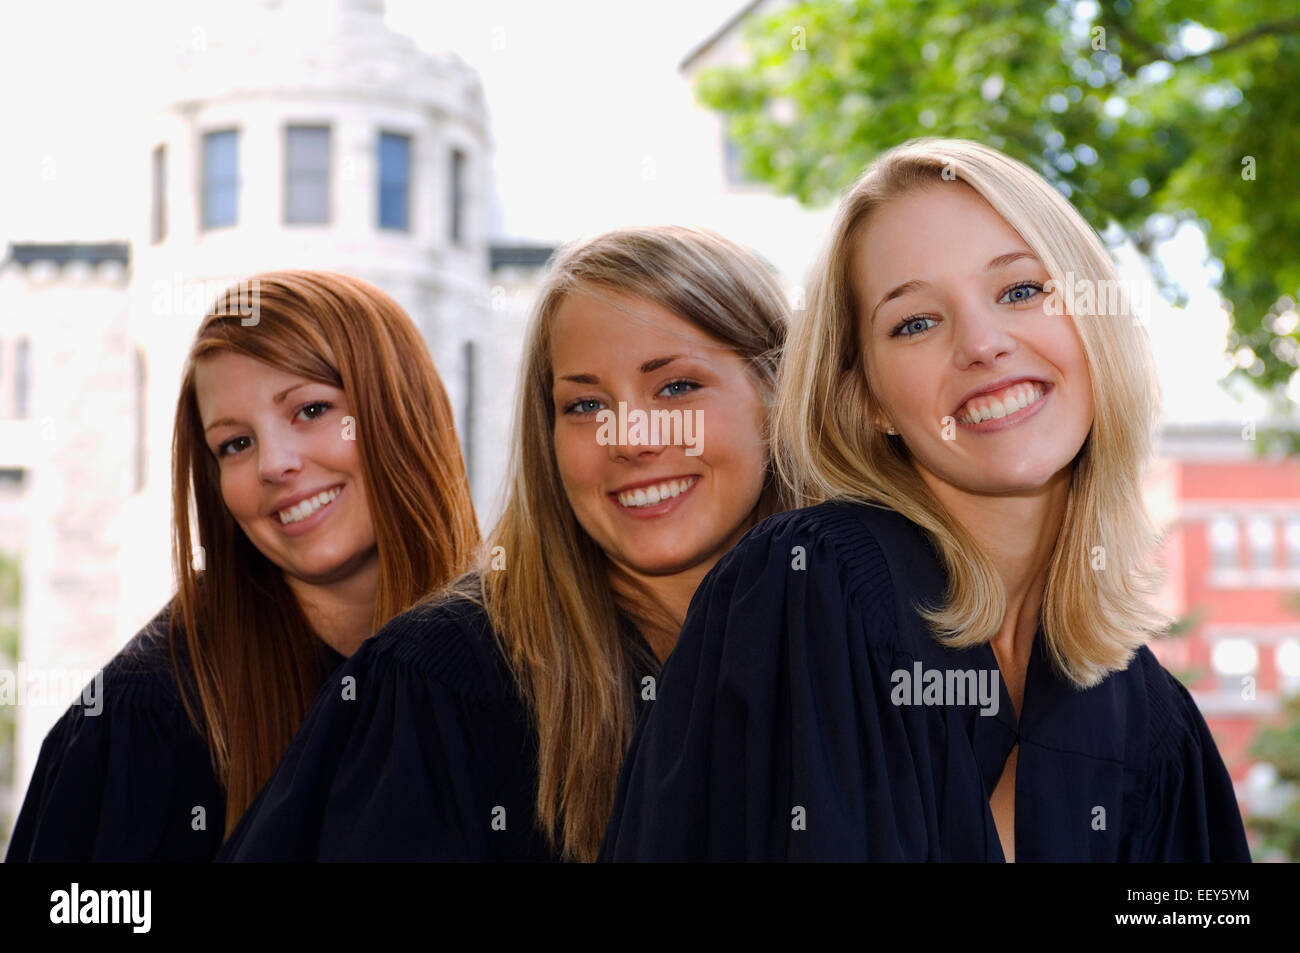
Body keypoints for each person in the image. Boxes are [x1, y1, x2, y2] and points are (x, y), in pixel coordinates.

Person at [600, 138, 1253, 862]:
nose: (982, 343)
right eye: (915, 322)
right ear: (866, 400)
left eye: (1021, 290)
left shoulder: (1155, 723)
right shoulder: (809, 588)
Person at [219, 225, 791, 861]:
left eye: (676, 388)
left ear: (778, 393)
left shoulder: (862, 645)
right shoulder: (437, 683)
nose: (629, 437)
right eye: (585, 405)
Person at [6, 271, 479, 861]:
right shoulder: (142, 722)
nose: (273, 465)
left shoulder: (521, 670)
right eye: (235, 444)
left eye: (311, 409)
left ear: (404, 412)